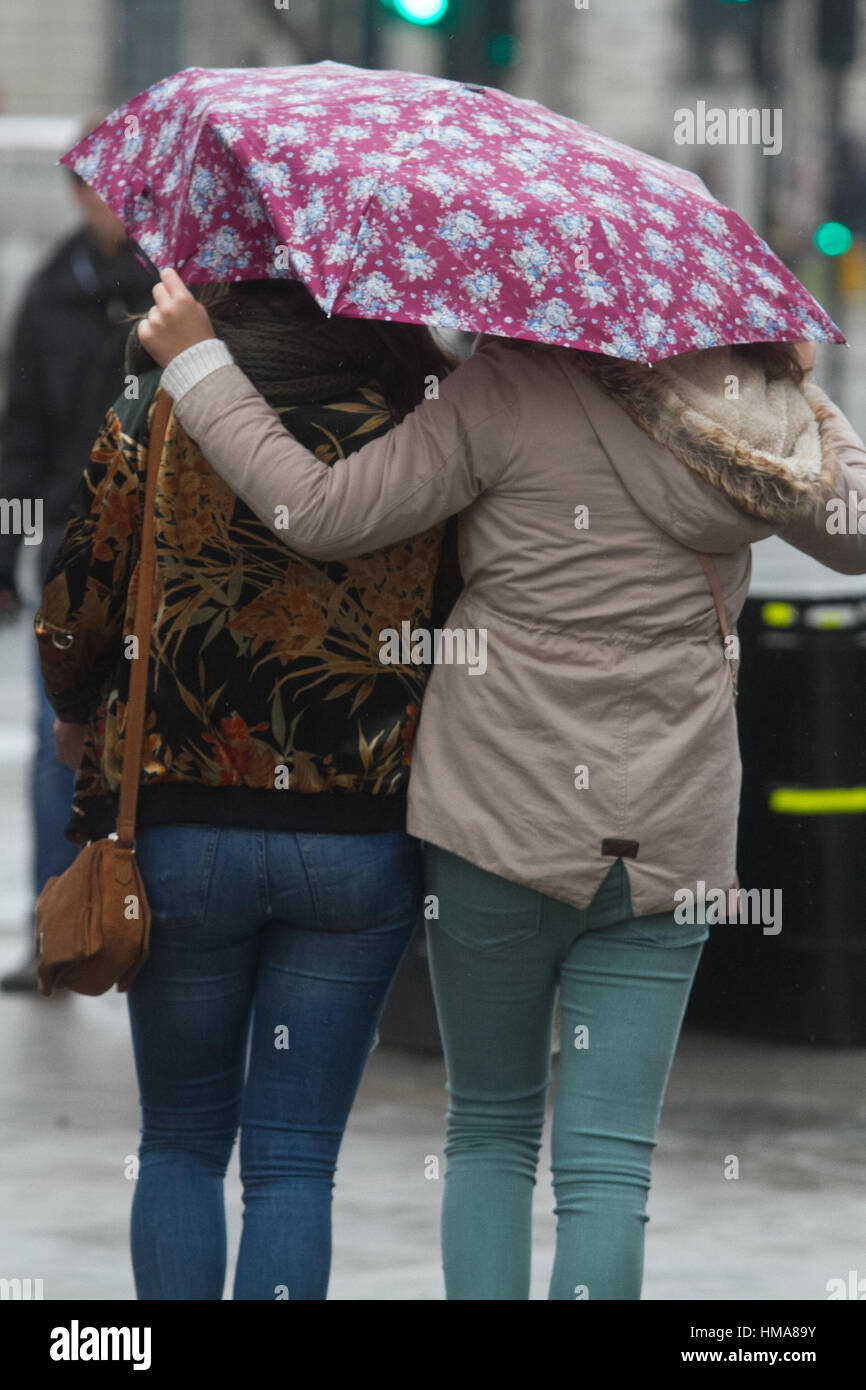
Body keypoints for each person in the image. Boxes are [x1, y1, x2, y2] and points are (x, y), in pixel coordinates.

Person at [138, 269, 866, 1300]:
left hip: (496, 816)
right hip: (671, 825)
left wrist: (201, 362)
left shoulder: (506, 389)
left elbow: (322, 510)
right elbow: (852, 533)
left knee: (487, 1131)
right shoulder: (746, 413)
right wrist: (794, 380)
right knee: (608, 1165)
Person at [35, 278, 455, 1299]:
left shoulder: (160, 407)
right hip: (356, 830)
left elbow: (78, 594)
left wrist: (76, 700)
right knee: (293, 1160)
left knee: (178, 1141)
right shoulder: (417, 423)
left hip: (176, 819)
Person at [0, 150, 154, 991]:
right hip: (65, 537)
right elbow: (21, 429)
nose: (117, 208)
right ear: (77, 193)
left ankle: (138, 922)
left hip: (156, 547)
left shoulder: (175, 288)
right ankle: (54, 927)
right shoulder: (54, 290)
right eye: (104, 192)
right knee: (58, 742)